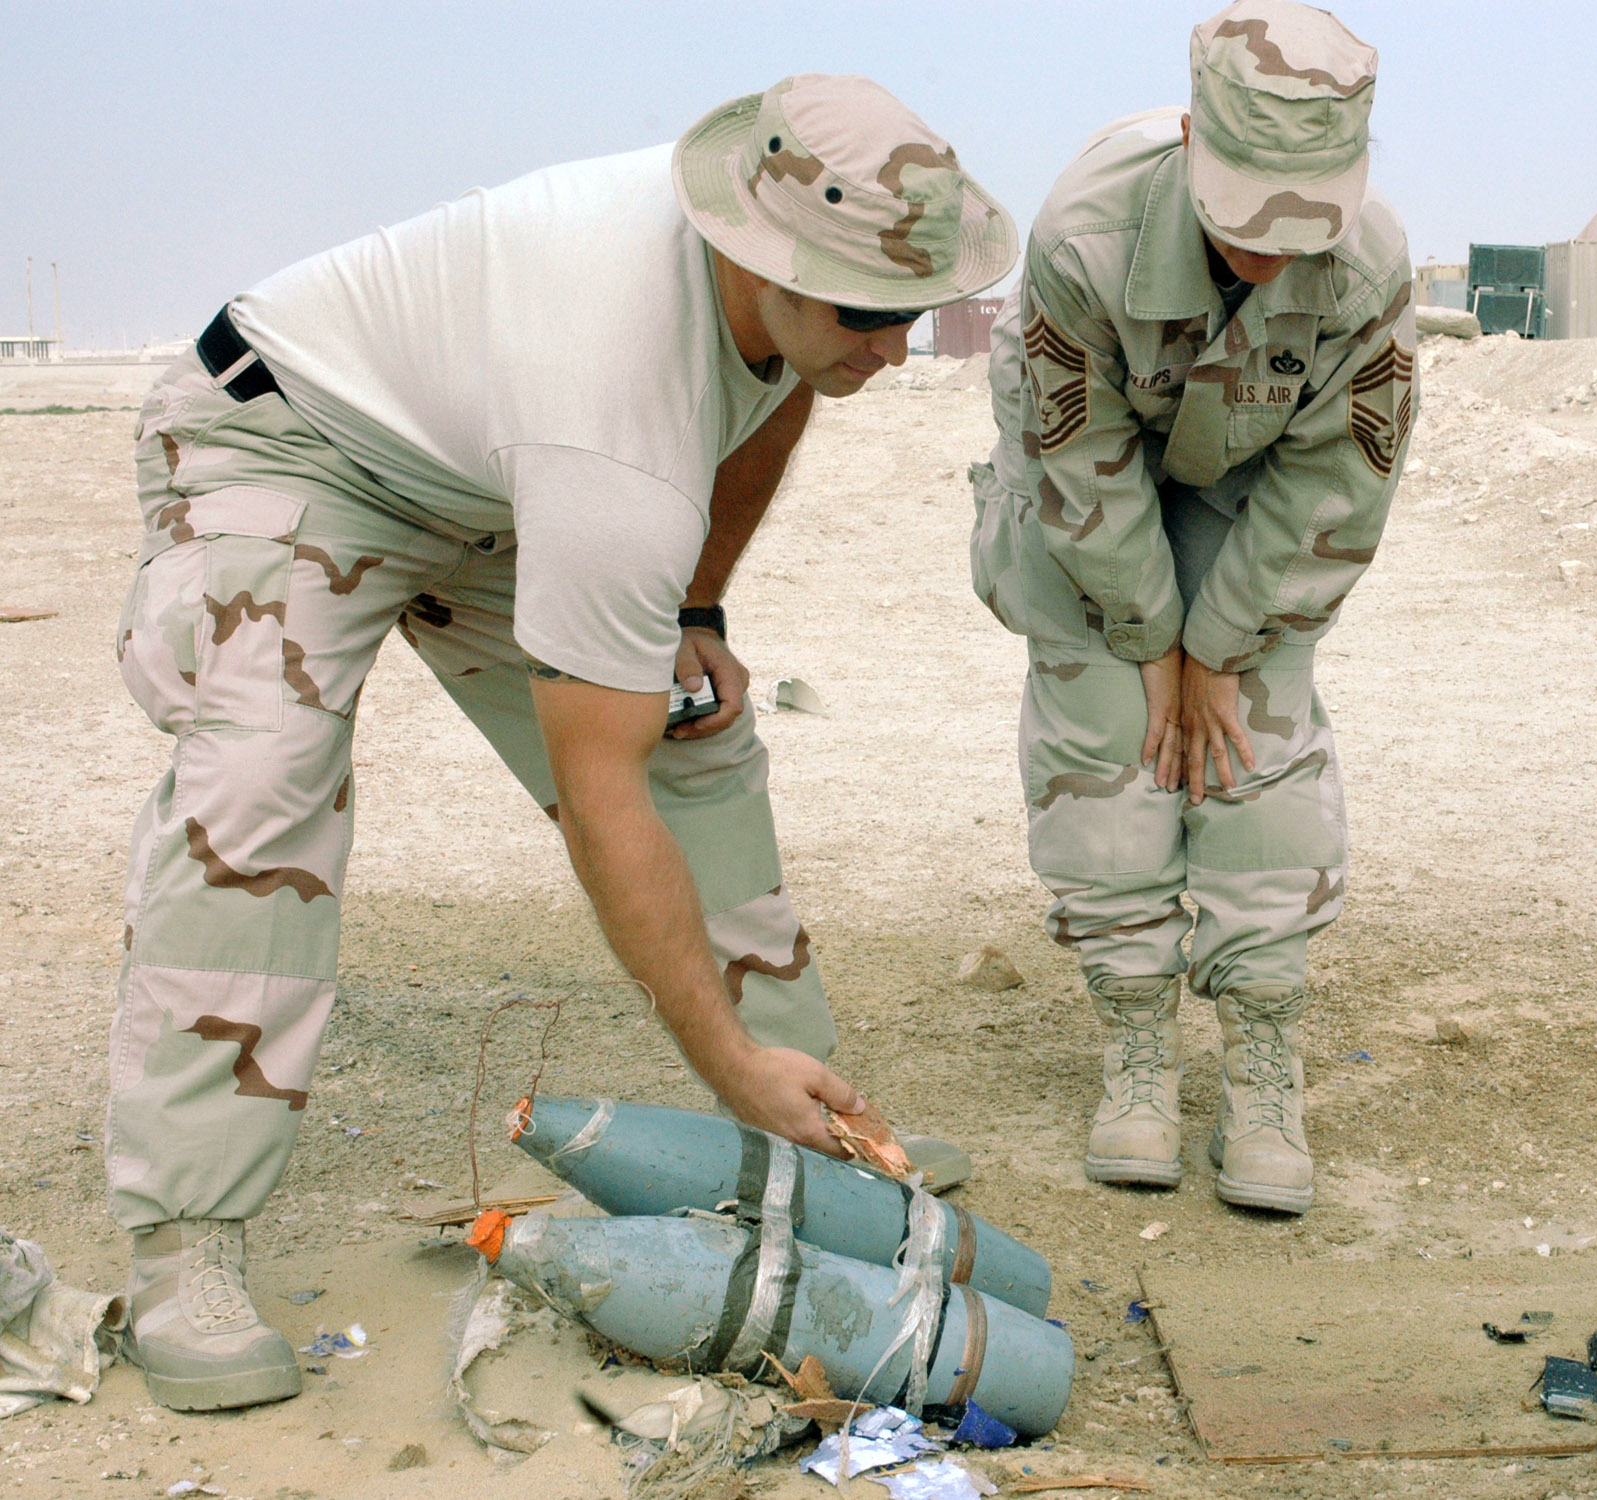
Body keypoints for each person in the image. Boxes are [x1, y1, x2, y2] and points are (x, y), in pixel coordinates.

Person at [109, 75, 1014, 1411]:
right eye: (863, 316)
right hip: (295, 446)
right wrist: (717, 1064)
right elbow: (600, 798)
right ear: (758, 261)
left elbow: (775, 391)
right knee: (262, 787)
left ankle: (819, 1128)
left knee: (694, 733)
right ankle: (183, 1243)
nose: (891, 347)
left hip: (495, 475)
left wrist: (696, 607)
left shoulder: (780, 284)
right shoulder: (614, 407)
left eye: (911, 312)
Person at [970, 0, 1416, 1215]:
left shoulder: (1369, 267)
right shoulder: (1084, 237)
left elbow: (1338, 483)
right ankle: (1136, 1043)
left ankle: (1263, 1058)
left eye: (1299, 220)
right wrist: (1153, 640)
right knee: (1109, 723)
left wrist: (1220, 648)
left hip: (1253, 470)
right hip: (1084, 475)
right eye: (1244, 213)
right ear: (1189, 139)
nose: (1271, 249)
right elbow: (1080, 460)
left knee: (1251, 731)